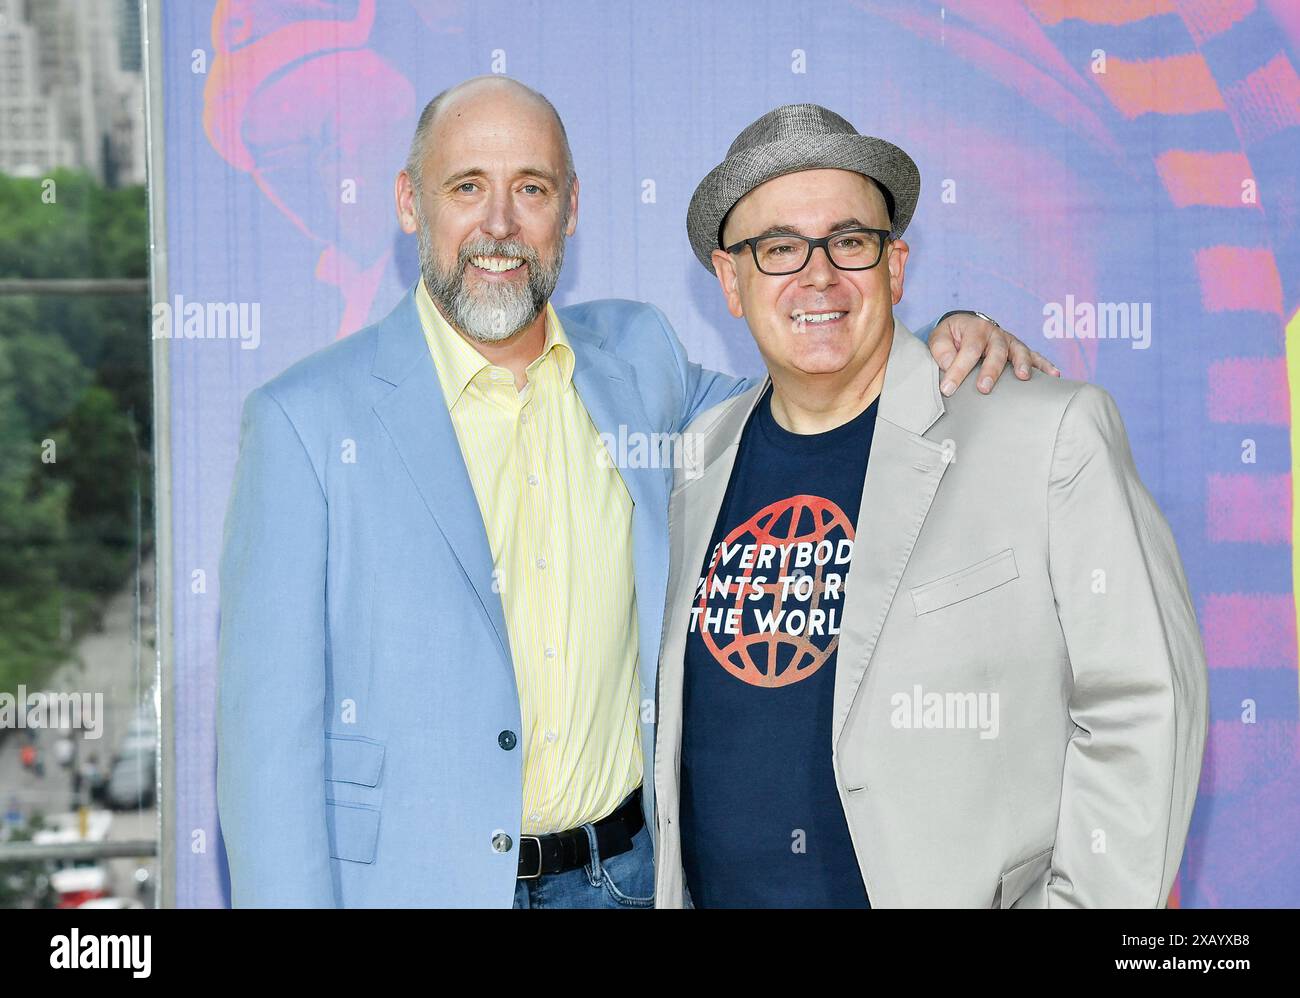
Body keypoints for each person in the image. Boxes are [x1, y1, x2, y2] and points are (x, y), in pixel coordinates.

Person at [216, 77, 1053, 908]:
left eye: (532, 189)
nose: (500, 224)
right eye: (467, 186)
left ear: (571, 209)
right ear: (409, 202)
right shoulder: (306, 421)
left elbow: (820, 392)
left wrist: (941, 338)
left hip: (624, 883)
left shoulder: (640, 362)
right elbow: (267, 750)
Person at [652, 103, 1208, 908]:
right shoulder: (699, 457)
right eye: (779, 249)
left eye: (849, 241)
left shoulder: (1045, 430)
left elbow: (1145, 703)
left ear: (896, 266)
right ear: (731, 282)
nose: (818, 275)